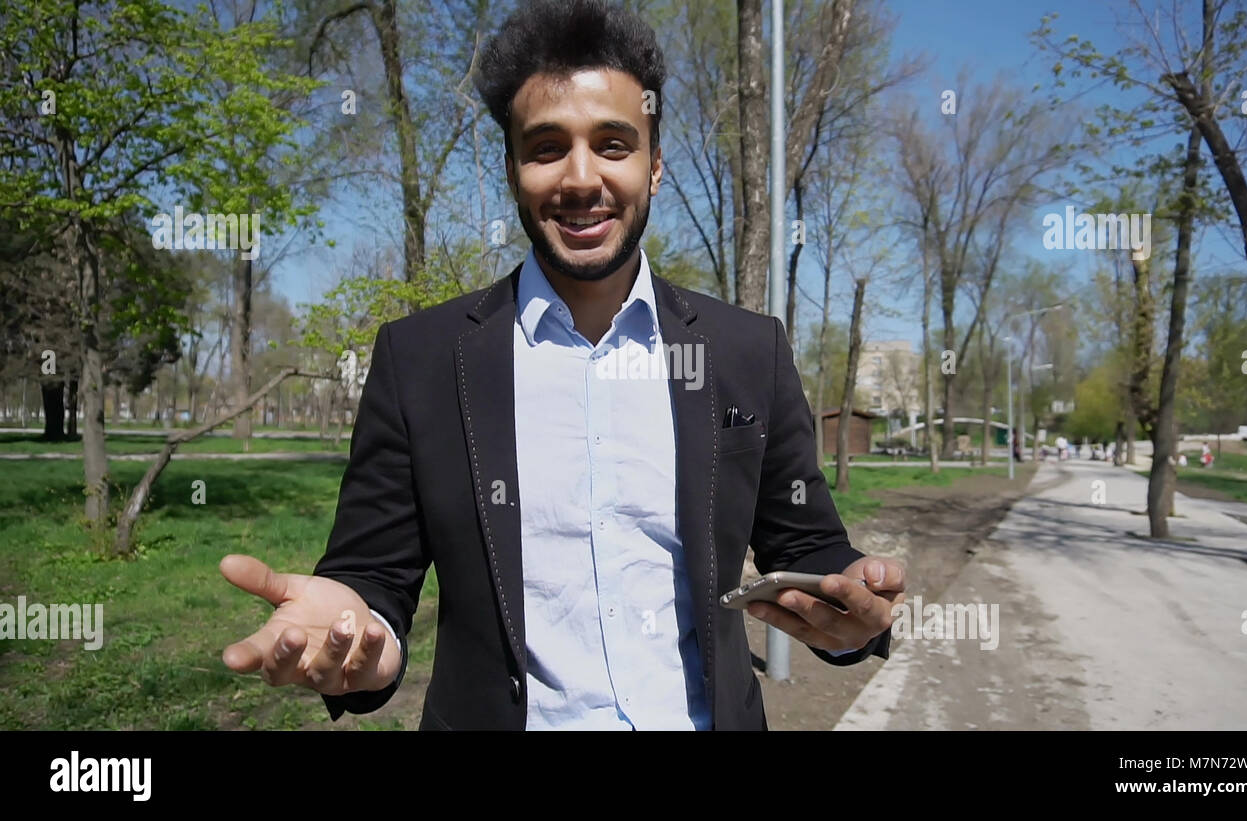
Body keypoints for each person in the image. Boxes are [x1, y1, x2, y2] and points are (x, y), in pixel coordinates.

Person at [218, 0, 903, 731]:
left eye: (614, 144)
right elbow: (370, 581)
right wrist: (360, 641)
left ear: (656, 163)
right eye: (547, 148)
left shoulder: (746, 352)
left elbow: (807, 542)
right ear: (513, 169)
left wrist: (852, 602)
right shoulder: (419, 360)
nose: (581, 179)